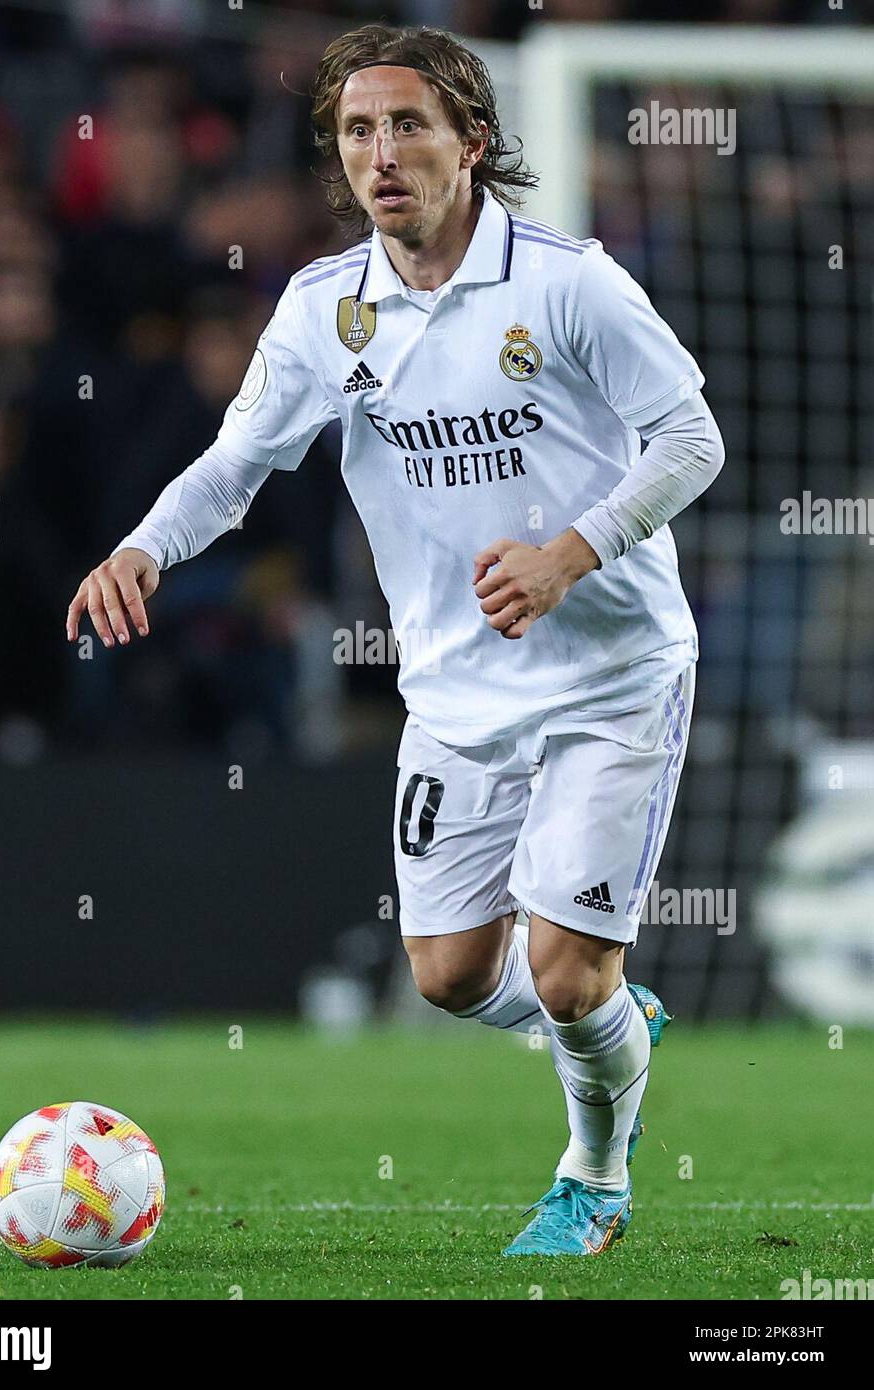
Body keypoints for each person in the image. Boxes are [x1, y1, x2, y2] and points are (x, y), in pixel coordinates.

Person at [66, 23, 725, 1258]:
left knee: (566, 971)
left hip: (610, 670)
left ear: (471, 141)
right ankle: (614, 1020)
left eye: (407, 124)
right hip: (456, 688)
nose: (380, 152)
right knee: (449, 977)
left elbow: (690, 442)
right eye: (357, 130)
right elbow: (235, 466)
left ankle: (589, 1177)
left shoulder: (568, 283)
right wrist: (144, 547)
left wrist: (567, 552)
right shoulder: (324, 313)